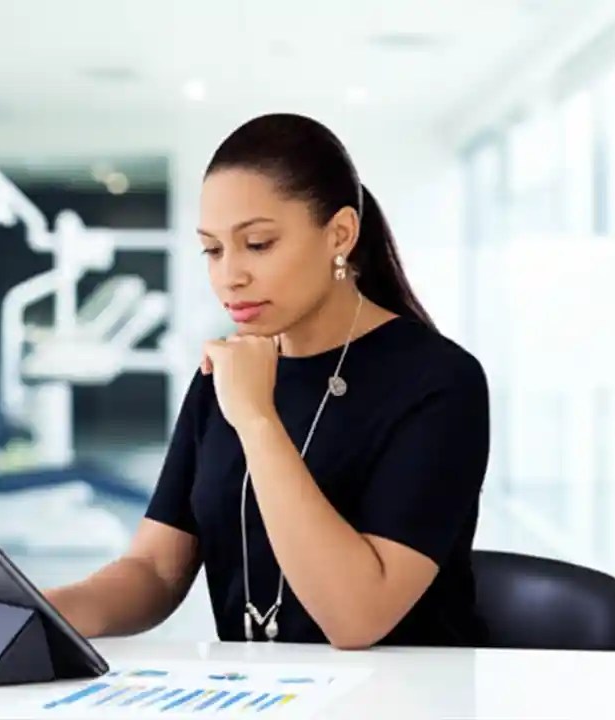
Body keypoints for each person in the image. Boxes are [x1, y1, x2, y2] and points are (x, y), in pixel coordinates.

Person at [43, 113, 490, 649]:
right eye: (213, 249)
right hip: (260, 696)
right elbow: (157, 569)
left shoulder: (440, 382)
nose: (229, 275)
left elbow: (358, 618)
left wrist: (256, 418)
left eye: (257, 244)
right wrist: (48, 609)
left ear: (340, 235)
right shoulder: (224, 374)